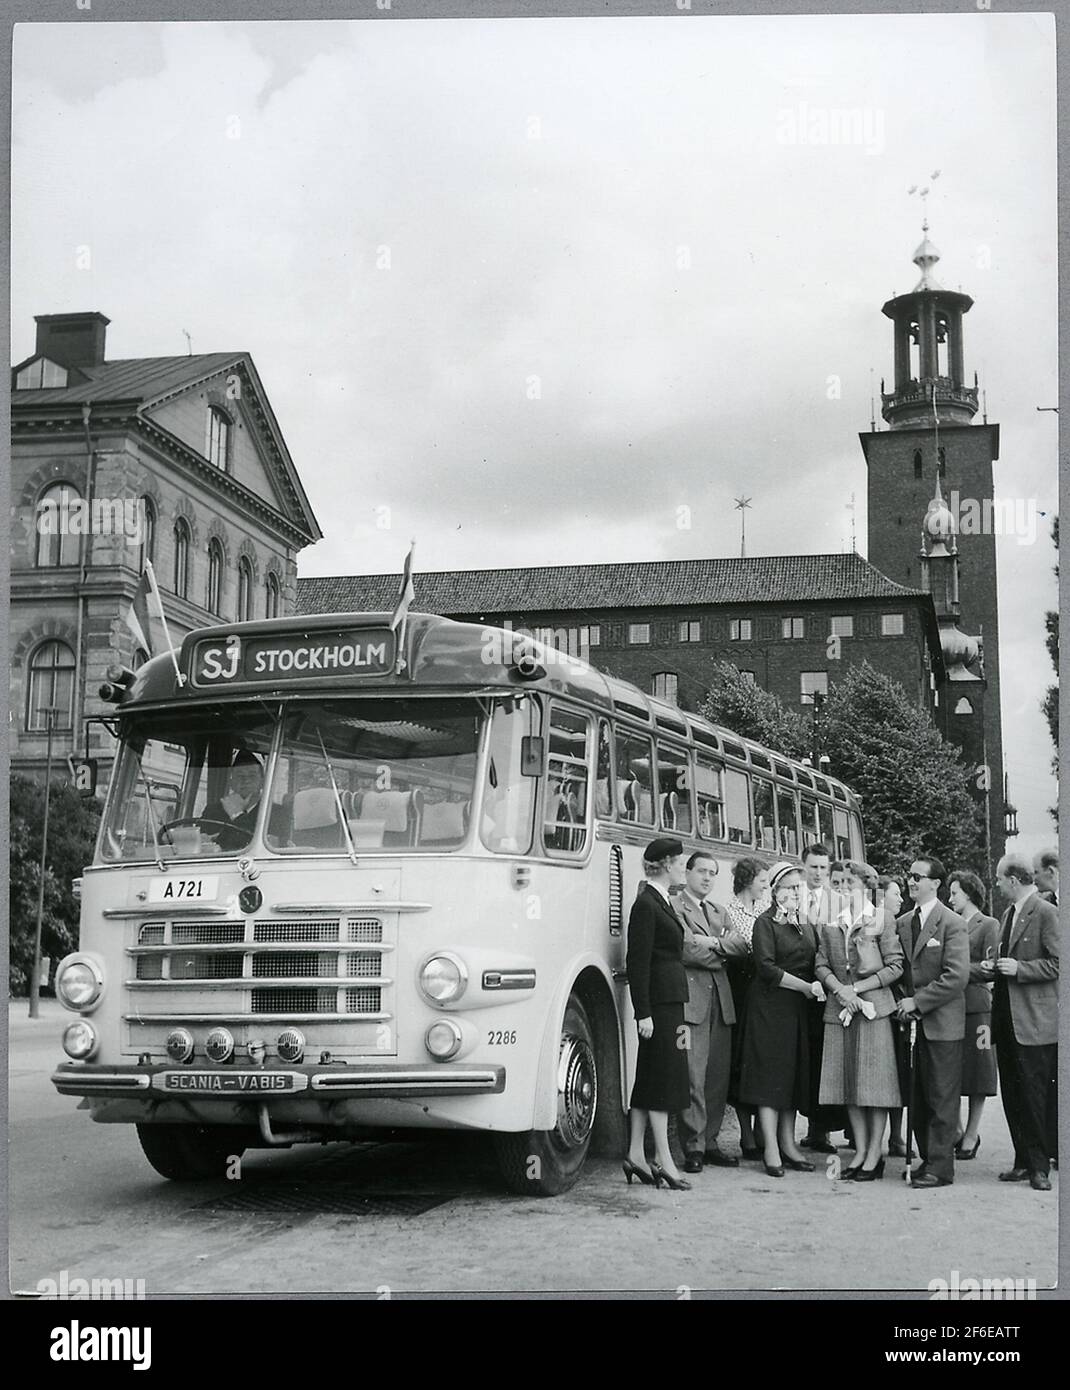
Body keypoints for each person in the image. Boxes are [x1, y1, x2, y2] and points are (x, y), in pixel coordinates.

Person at [815, 861, 903, 1180]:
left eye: (848, 884)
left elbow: (895, 967)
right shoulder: (830, 922)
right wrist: (841, 991)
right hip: (840, 1011)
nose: (841, 890)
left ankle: (874, 1155)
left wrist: (858, 989)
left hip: (873, 1010)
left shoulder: (882, 918)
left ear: (864, 887)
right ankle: (861, 1152)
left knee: (875, 1087)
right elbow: (821, 965)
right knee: (847, 1085)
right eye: (837, 884)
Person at [738, 861, 826, 1177]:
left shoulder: (804, 922)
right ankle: (771, 1149)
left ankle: (788, 1144)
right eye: (789, 887)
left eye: (798, 887)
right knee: (769, 1077)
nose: (795, 893)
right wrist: (805, 987)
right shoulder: (765, 923)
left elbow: (816, 958)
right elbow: (767, 968)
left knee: (792, 1078)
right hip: (769, 1006)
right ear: (775, 891)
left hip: (797, 1010)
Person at [893, 856, 969, 1189]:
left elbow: (956, 976)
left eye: (917, 877)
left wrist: (918, 1002)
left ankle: (941, 1168)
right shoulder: (903, 921)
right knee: (918, 1095)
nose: (911, 881)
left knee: (941, 1096)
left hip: (942, 1023)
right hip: (911, 1023)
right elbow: (900, 968)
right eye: (909, 876)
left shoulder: (952, 922)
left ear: (935, 883)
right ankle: (927, 1158)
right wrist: (903, 1001)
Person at [985, 855, 1060, 1192]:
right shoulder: (1008, 914)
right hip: (1008, 1021)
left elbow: (1059, 963)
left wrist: (1020, 970)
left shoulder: (1046, 913)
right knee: (1013, 1094)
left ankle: (1039, 1167)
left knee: (1034, 1095)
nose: (997, 884)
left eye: (1000, 879)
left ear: (1013, 880)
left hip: (1033, 1022)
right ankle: (1022, 1161)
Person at [623, 838, 692, 1191]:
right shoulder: (647, 905)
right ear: (666, 864)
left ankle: (636, 1154)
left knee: (649, 1079)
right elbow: (637, 962)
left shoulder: (659, 900)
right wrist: (643, 1013)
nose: (684, 867)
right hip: (659, 1007)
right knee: (663, 1080)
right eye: (680, 862)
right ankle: (665, 1161)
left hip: (668, 1002)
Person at [676, 851, 749, 1172]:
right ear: (688, 872)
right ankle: (693, 1146)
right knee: (694, 1075)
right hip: (692, 1003)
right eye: (702, 871)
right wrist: (721, 947)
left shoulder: (719, 910)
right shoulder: (676, 907)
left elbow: (742, 947)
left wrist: (713, 943)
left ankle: (711, 1141)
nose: (707, 878)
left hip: (722, 1003)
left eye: (713, 873)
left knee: (717, 1077)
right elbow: (686, 949)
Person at [947, 869, 999, 1160]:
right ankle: (955, 1130)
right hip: (951, 1007)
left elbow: (990, 967)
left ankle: (971, 1133)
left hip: (979, 1009)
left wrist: (955, 971)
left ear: (968, 893)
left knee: (979, 1072)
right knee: (952, 1070)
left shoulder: (988, 924)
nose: (950, 898)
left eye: (955, 893)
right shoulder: (950, 923)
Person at [797, 842, 841, 1155]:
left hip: (830, 987)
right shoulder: (792, 899)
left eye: (824, 868)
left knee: (827, 1057)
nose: (818, 873)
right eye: (813, 867)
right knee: (805, 1056)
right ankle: (810, 1126)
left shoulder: (839, 902)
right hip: (801, 985)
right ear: (804, 867)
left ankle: (821, 1130)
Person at [725, 856, 769, 1159]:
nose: (765, 887)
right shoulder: (728, 911)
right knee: (740, 1059)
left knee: (760, 1060)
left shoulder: (766, 912)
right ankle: (745, 1133)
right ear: (747, 880)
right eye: (762, 881)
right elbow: (734, 947)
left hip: (763, 992)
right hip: (739, 988)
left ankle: (760, 1131)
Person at [877, 873, 913, 1159]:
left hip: (900, 1005)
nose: (900, 899)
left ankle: (897, 1135)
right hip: (881, 1004)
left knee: (902, 1072)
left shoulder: (902, 924)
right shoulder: (876, 923)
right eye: (894, 893)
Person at [200, 750, 271, 852]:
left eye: (252, 775)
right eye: (239, 775)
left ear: (262, 781)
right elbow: (201, 844)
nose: (245, 780)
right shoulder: (213, 811)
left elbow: (260, 847)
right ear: (231, 782)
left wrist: (237, 815)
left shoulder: (274, 812)